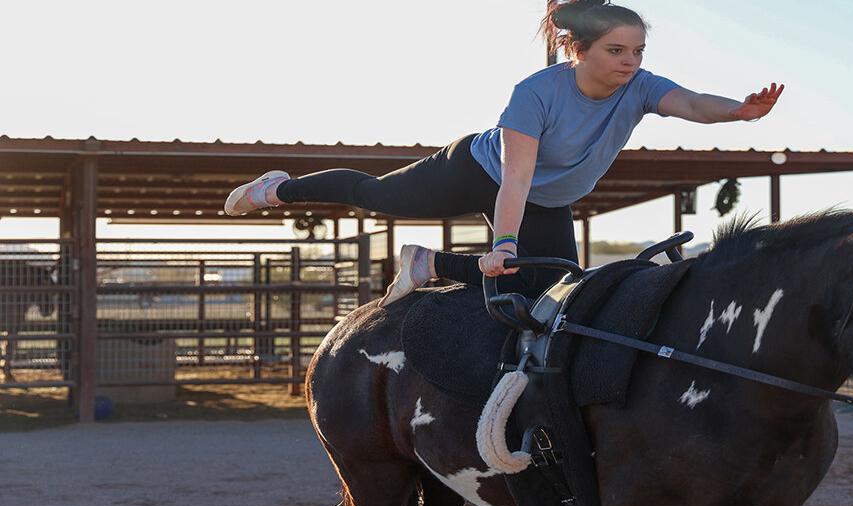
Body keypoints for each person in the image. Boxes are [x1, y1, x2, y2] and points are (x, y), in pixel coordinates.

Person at [224, 0, 784, 304]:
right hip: (476, 170)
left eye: (638, 50)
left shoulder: (640, 87)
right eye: (616, 50)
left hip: (547, 199)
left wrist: (738, 110)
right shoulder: (536, 93)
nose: (630, 61)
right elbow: (515, 179)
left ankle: (426, 264)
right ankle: (277, 189)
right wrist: (504, 243)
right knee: (376, 196)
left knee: (551, 287)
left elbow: (691, 103)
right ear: (578, 49)